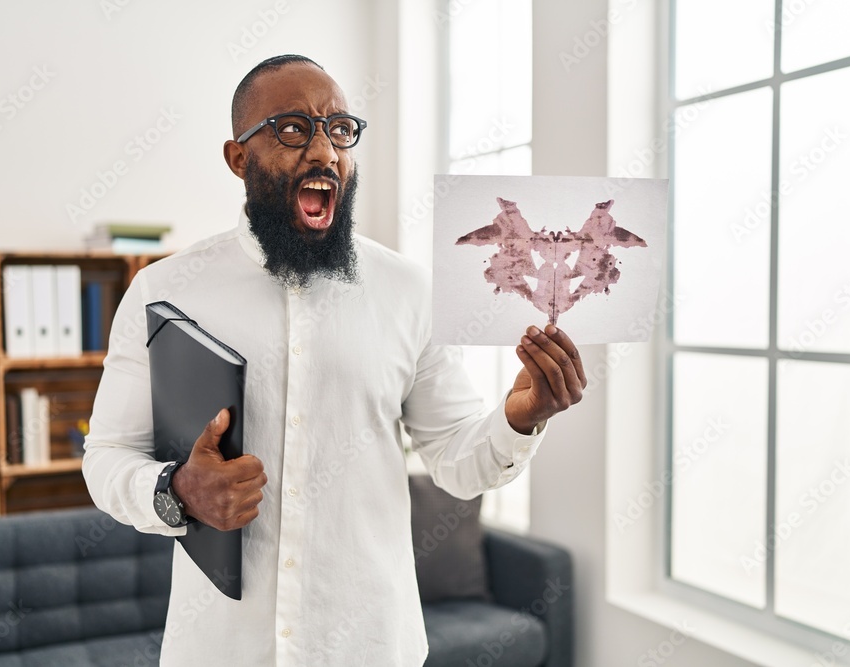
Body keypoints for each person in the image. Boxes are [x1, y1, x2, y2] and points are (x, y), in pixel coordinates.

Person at [82, 54, 586, 667]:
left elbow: (456, 461)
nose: (324, 152)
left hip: (371, 646)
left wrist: (522, 415)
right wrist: (177, 492)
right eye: (294, 129)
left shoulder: (407, 291)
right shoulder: (164, 291)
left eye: (340, 130)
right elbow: (107, 458)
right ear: (239, 158)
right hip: (221, 650)